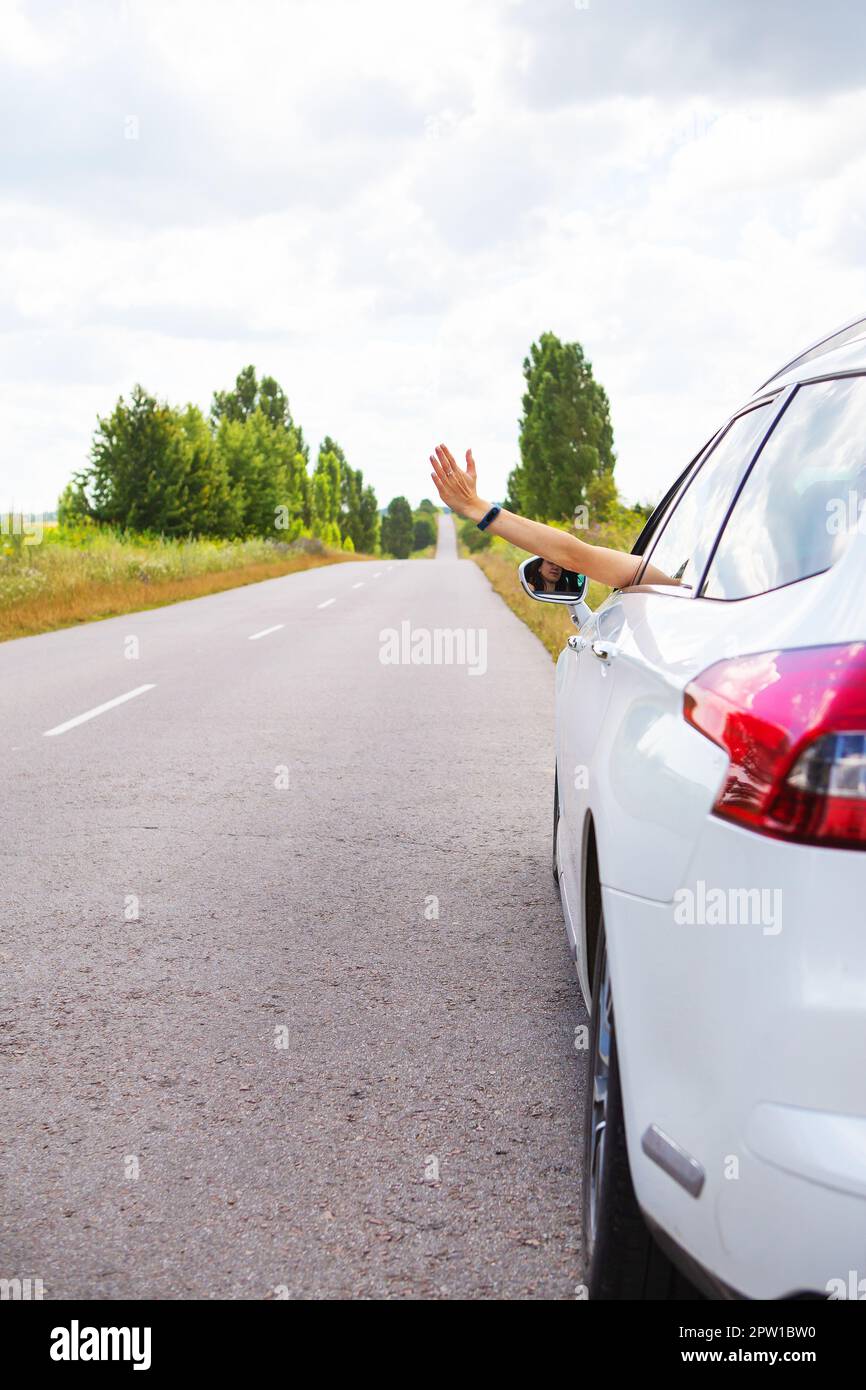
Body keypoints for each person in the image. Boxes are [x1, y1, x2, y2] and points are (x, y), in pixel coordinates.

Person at [429, 444, 679, 590]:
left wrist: (477, 507)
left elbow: (574, 555)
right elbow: (571, 555)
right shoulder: (679, 586)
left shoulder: (679, 586)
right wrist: (477, 507)